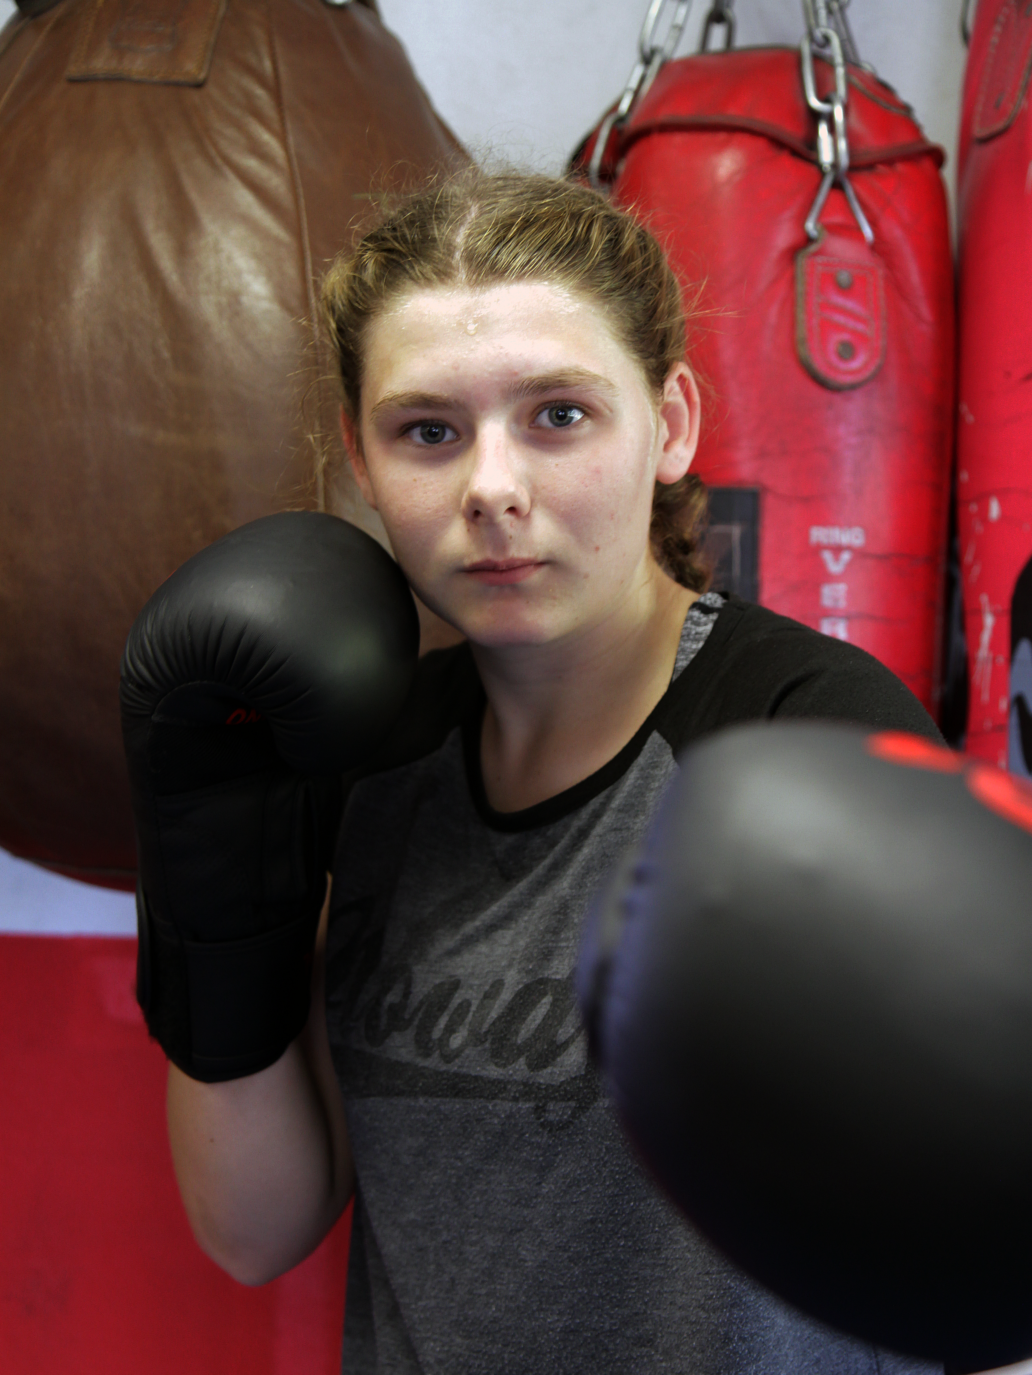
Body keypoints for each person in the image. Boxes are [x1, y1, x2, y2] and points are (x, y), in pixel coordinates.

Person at [160, 169, 942, 1373]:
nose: (492, 488)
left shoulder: (809, 741)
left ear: (671, 425)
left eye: (558, 414)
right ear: (361, 466)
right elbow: (253, 1231)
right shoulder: (362, 769)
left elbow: (988, 1262)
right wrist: (211, 891)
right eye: (428, 430)